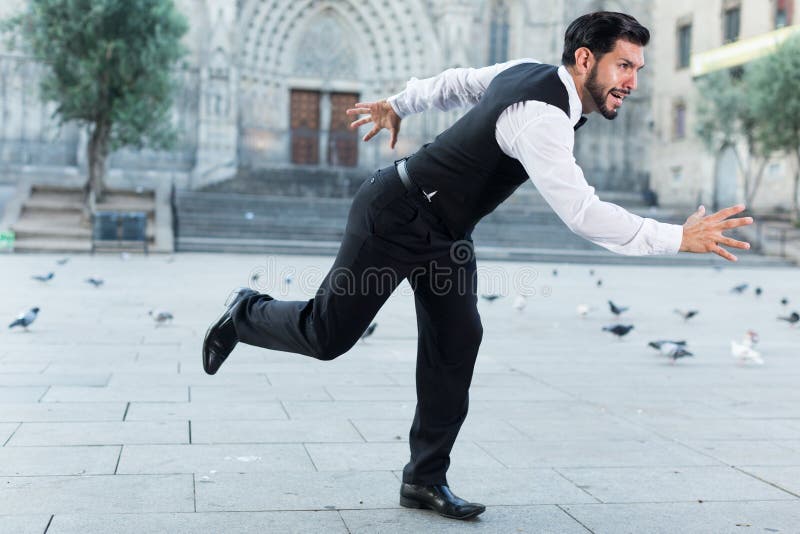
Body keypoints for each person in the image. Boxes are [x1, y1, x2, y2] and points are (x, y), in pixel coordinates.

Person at [202, 11, 753, 521]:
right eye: (624, 66)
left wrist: (401, 102)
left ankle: (423, 479)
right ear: (585, 59)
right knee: (327, 335)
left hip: (446, 234)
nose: (632, 80)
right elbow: (583, 213)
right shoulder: (540, 114)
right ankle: (246, 311)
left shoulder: (525, 75)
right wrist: (676, 237)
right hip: (394, 212)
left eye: (637, 68)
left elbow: (458, 82)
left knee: (457, 340)